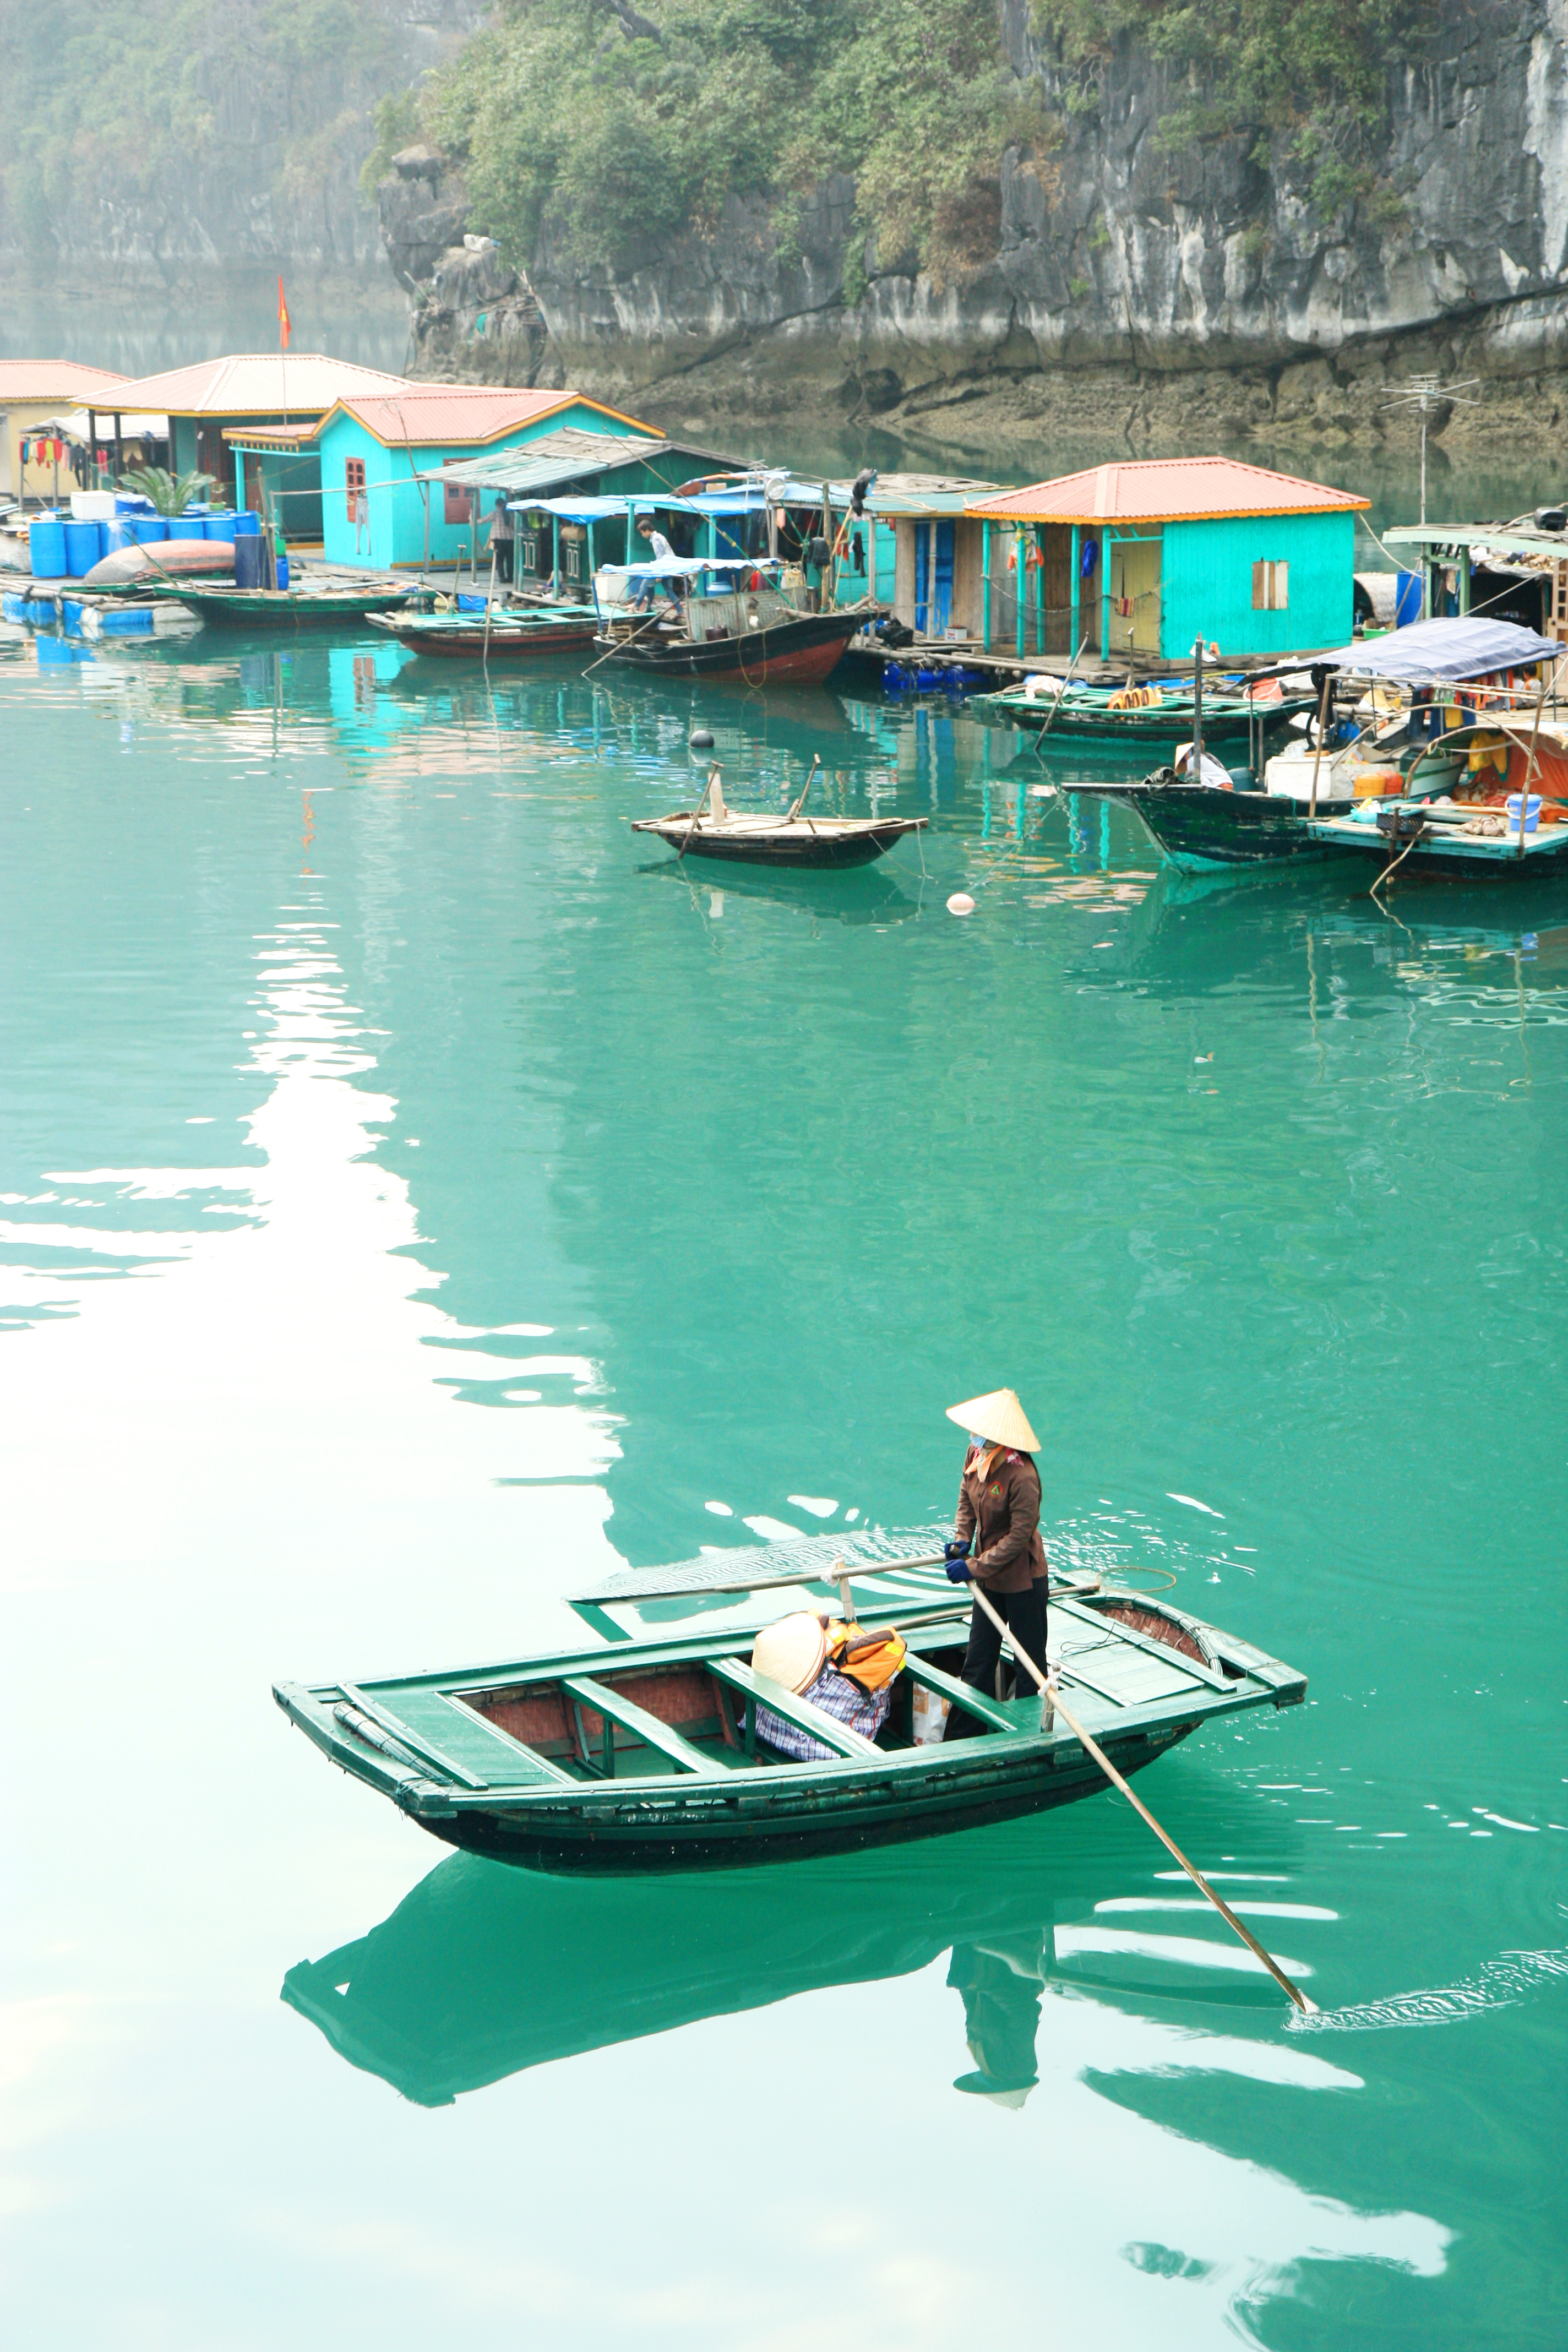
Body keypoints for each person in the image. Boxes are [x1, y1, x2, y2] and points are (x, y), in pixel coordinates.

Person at [940, 1387, 1048, 1738]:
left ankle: (1028, 1737)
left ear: (1002, 1442)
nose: (976, 1440)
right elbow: (965, 1496)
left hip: (1023, 1582)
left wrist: (971, 1567)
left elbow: (1018, 1540)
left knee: (1028, 1664)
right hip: (989, 1577)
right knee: (978, 1659)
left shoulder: (1024, 1479)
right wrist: (962, 1539)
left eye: (985, 1438)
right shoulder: (975, 1453)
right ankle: (963, 1736)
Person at [488, 494, 514, 585]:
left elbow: (481, 521)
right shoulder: (510, 514)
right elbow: (514, 527)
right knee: (510, 561)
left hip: (498, 541)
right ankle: (510, 578)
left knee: (499, 561)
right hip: (510, 540)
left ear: (497, 505)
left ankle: (502, 579)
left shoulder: (495, 514)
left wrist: (472, 519)